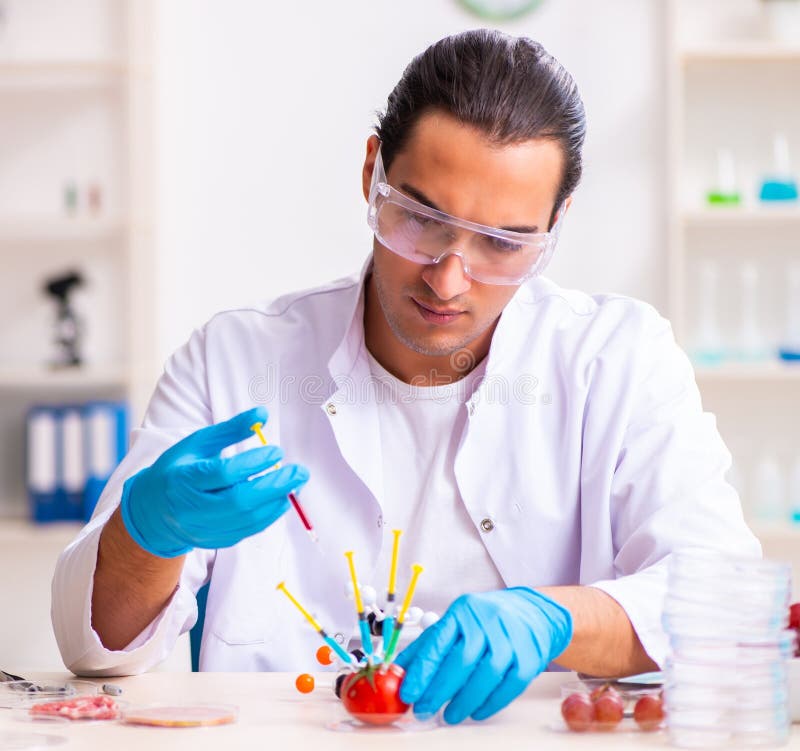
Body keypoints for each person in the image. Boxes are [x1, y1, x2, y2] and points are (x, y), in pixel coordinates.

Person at [52, 29, 759, 724]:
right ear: (373, 176)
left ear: (555, 225)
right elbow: (93, 649)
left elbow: (724, 605)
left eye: (503, 243)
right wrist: (148, 534)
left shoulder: (618, 360)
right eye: (422, 219)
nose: (449, 280)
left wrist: (557, 619)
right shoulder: (234, 361)